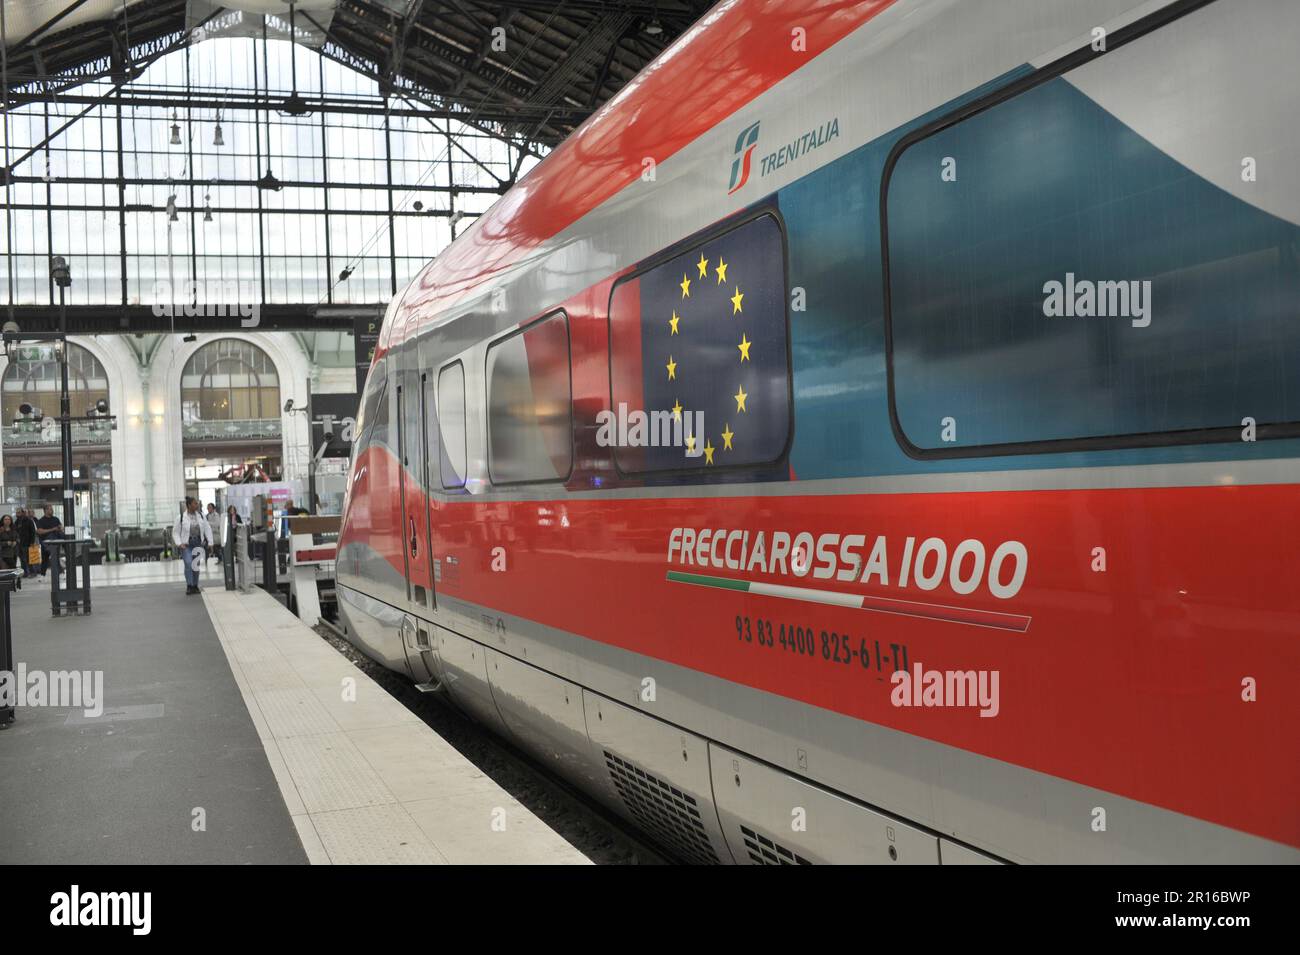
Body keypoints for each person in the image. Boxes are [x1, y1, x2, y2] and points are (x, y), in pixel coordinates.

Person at [173, 497, 213, 596]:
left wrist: (211, 542)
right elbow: (175, 532)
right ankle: (189, 585)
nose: (197, 505)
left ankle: (195, 585)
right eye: (195, 503)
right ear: (189, 505)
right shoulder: (181, 517)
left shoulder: (201, 515)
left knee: (195, 565)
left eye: (197, 503)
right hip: (186, 545)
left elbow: (207, 529)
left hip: (198, 543)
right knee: (188, 563)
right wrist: (179, 543)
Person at [35, 504, 64, 577]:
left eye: (52, 509)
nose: (52, 510)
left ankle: (61, 573)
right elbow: (39, 531)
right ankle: (42, 574)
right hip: (45, 542)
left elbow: (61, 527)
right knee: (45, 559)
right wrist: (52, 529)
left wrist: (60, 528)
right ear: (45, 510)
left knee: (56, 557)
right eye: (50, 509)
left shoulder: (56, 519)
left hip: (56, 542)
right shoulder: (41, 521)